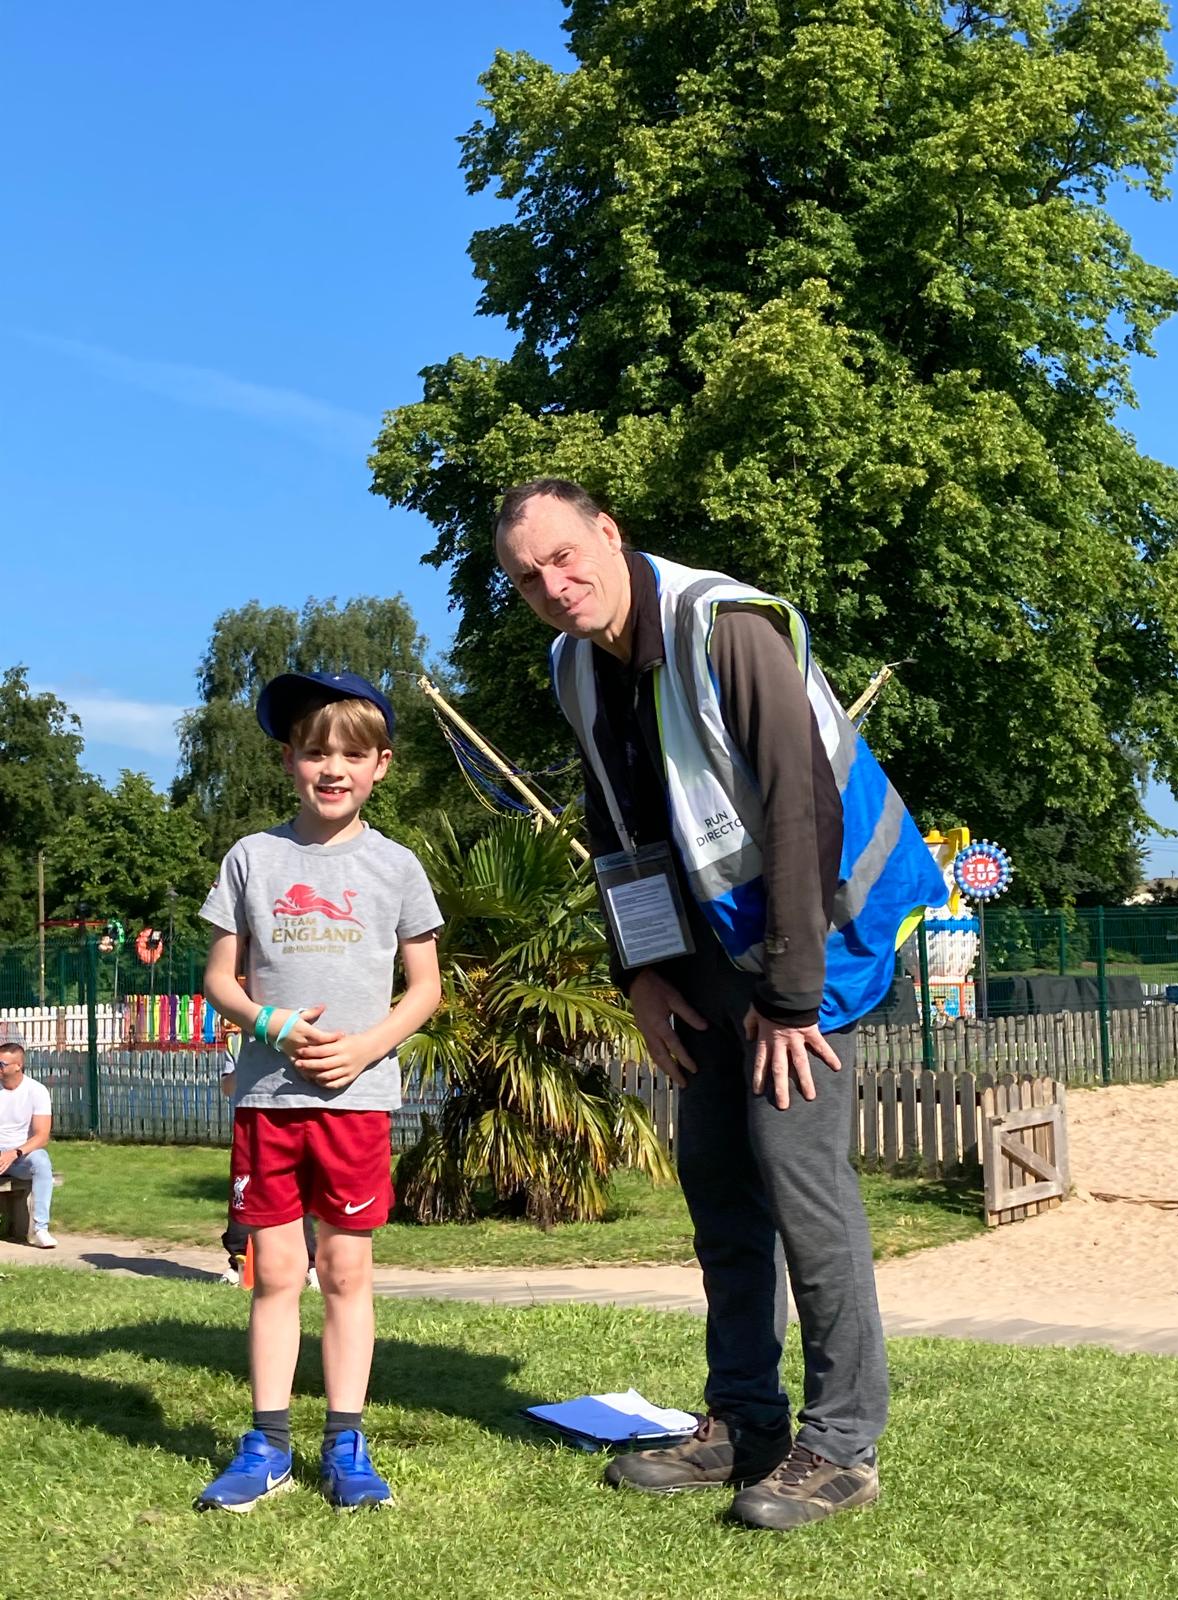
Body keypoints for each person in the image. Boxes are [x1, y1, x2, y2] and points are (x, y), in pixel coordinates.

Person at [495, 479, 945, 1531]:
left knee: (799, 1179)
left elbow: (802, 807)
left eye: (568, 557)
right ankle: (745, 1420)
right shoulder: (577, 663)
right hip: (704, 948)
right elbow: (616, 824)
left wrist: (792, 1001)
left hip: (817, 930)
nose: (556, 588)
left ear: (609, 534)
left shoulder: (725, 626)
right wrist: (639, 973)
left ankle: (842, 1446)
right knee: (716, 1178)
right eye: (529, 578)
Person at [195, 669, 442, 1514]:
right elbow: (220, 980)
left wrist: (366, 1047)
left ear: (381, 765)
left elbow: (425, 989)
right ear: (290, 761)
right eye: (314, 752)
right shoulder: (251, 859)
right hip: (268, 1103)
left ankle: (346, 1441)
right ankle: (265, 1442)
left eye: (352, 754)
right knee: (275, 1275)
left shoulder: (398, 867)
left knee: (344, 1271)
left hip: (358, 1108)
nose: (332, 768)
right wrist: (270, 1025)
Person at [217, 1026, 318, 1289]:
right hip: (251, 1121)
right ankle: (237, 1263)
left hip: (290, 1119)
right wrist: (249, 1069)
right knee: (244, 1193)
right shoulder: (237, 1043)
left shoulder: (294, 1035)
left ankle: (310, 1265)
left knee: (296, 1197)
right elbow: (227, 1087)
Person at [0, 1027, 57, 1248]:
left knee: (41, 1161)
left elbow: (42, 1136)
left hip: (20, 1156)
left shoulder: (37, 1091)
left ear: (18, 1066)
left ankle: (40, 1229)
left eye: (2, 1065)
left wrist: (14, 1153)